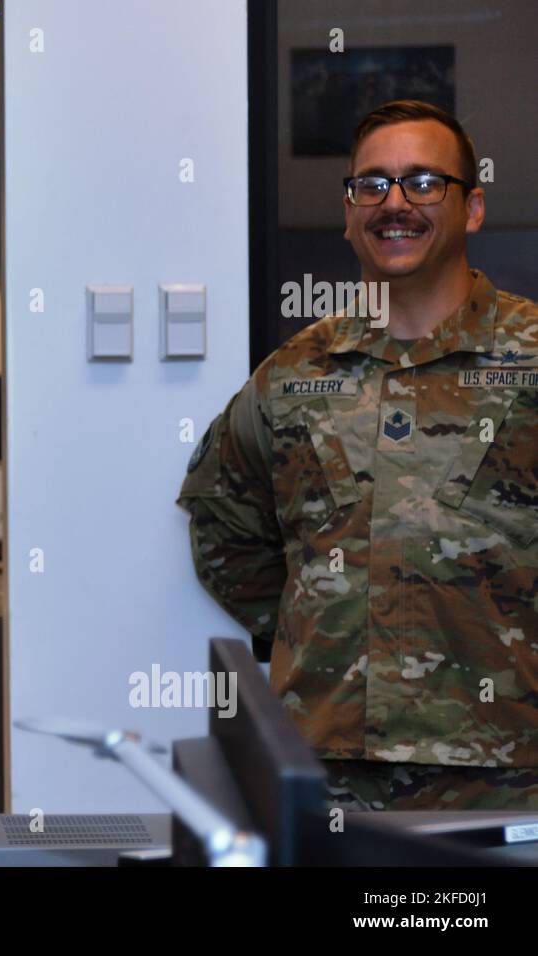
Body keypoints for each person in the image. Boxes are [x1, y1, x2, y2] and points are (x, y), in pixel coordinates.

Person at [178, 100, 538, 811]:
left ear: (472, 209)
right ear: (348, 214)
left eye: (423, 183)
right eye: (370, 186)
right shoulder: (292, 375)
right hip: (322, 765)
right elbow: (226, 528)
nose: (393, 204)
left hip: (508, 767)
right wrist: (336, 625)